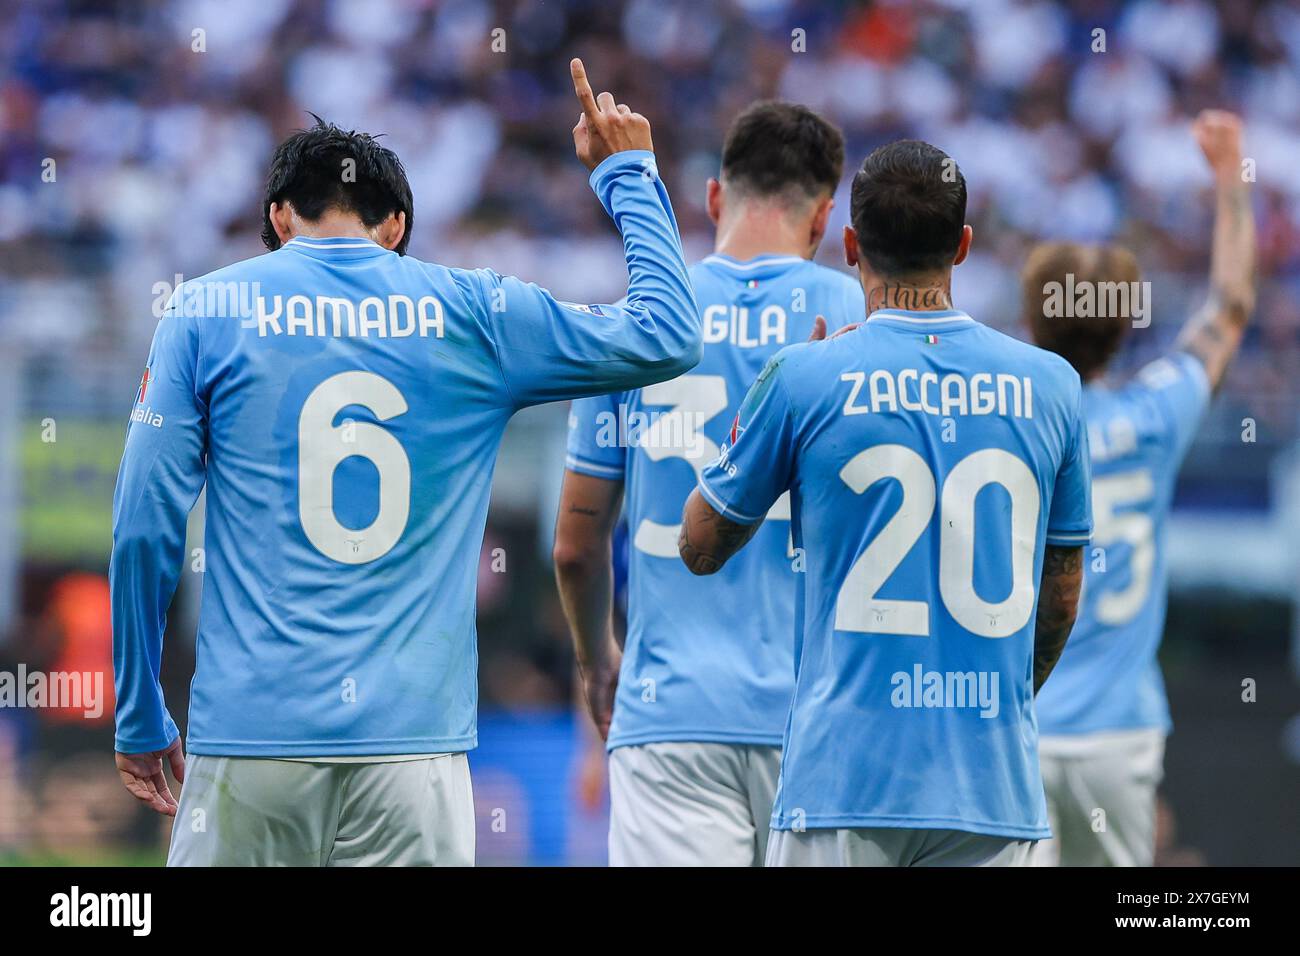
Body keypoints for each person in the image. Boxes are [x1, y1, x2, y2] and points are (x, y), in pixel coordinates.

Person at [110, 59, 702, 866]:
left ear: (279, 217)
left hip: (251, 741)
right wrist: (627, 175)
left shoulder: (203, 308)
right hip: (414, 754)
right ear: (394, 227)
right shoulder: (476, 311)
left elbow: (143, 527)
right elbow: (669, 335)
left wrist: (139, 705)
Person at [678, 140, 1091, 867]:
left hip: (841, 783)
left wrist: (766, 405)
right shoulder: (1053, 385)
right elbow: (1061, 597)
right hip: (990, 790)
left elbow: (699, 546)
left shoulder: (804, 376)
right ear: (962, 246)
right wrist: (998, 704)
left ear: (849, 245)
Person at [554, 102, 862, 866]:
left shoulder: (639, 318)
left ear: (716, 198)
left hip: (671, 715)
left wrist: (599, 663)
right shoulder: (861, 319)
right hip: (824, 719)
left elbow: (575, 548)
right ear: (824, 218)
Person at [1026, 110, 1256, 867]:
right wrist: (1232, 176)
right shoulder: (1156, 415)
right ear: (1123, 328)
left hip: (1017, 723)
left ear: (1033, 320)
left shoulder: (1008, 420)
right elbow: (1230, 306)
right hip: (1119, 729)